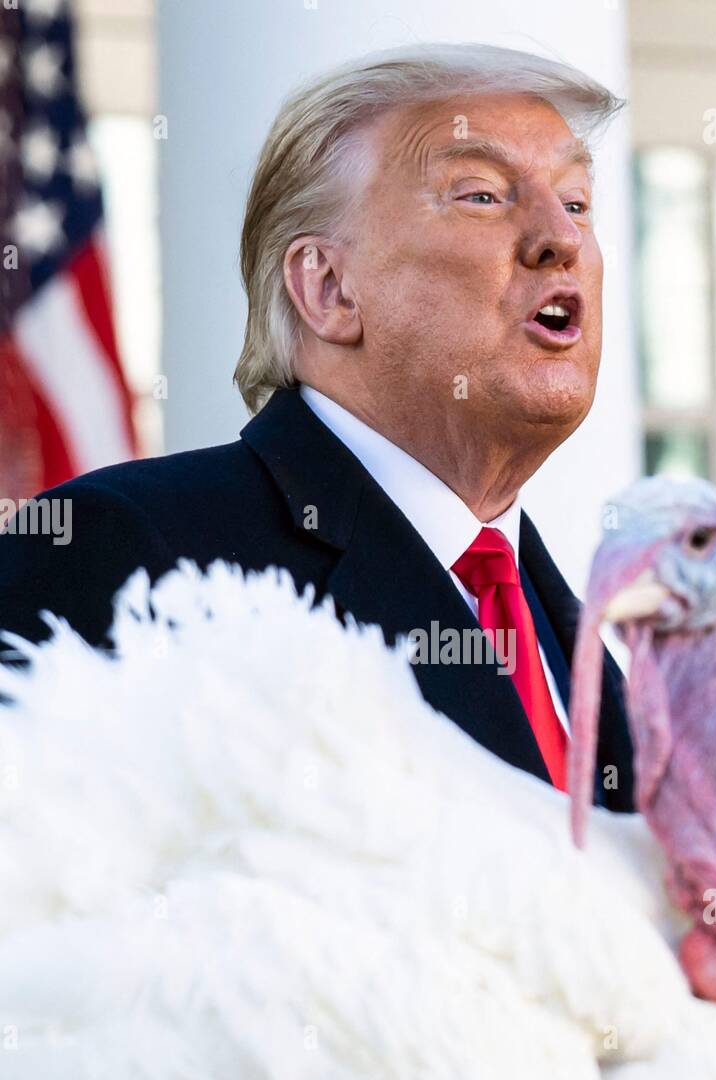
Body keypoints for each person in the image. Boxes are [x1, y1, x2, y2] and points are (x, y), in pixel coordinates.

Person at [0, 43, 633, 808]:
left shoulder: (583, 657)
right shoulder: (129, 554)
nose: (560, 240)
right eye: (480, 195)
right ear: (328, 288)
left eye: (575, 203)